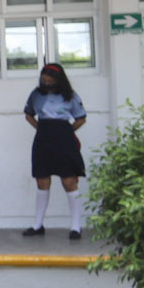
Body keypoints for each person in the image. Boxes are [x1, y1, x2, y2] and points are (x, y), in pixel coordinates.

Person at [23, 62, 87, 240]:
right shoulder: (36, 95)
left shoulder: (70, 96)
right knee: (42, 181)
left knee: (68, 181)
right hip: (43, 139)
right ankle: (38, 225)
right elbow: (28, 114)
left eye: (50, 81)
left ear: (59, 81)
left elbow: (81, 118)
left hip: (64, 140)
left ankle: (75, 226)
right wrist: (41, 129)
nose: (47, 84)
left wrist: (67, 132)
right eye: (44, 81)